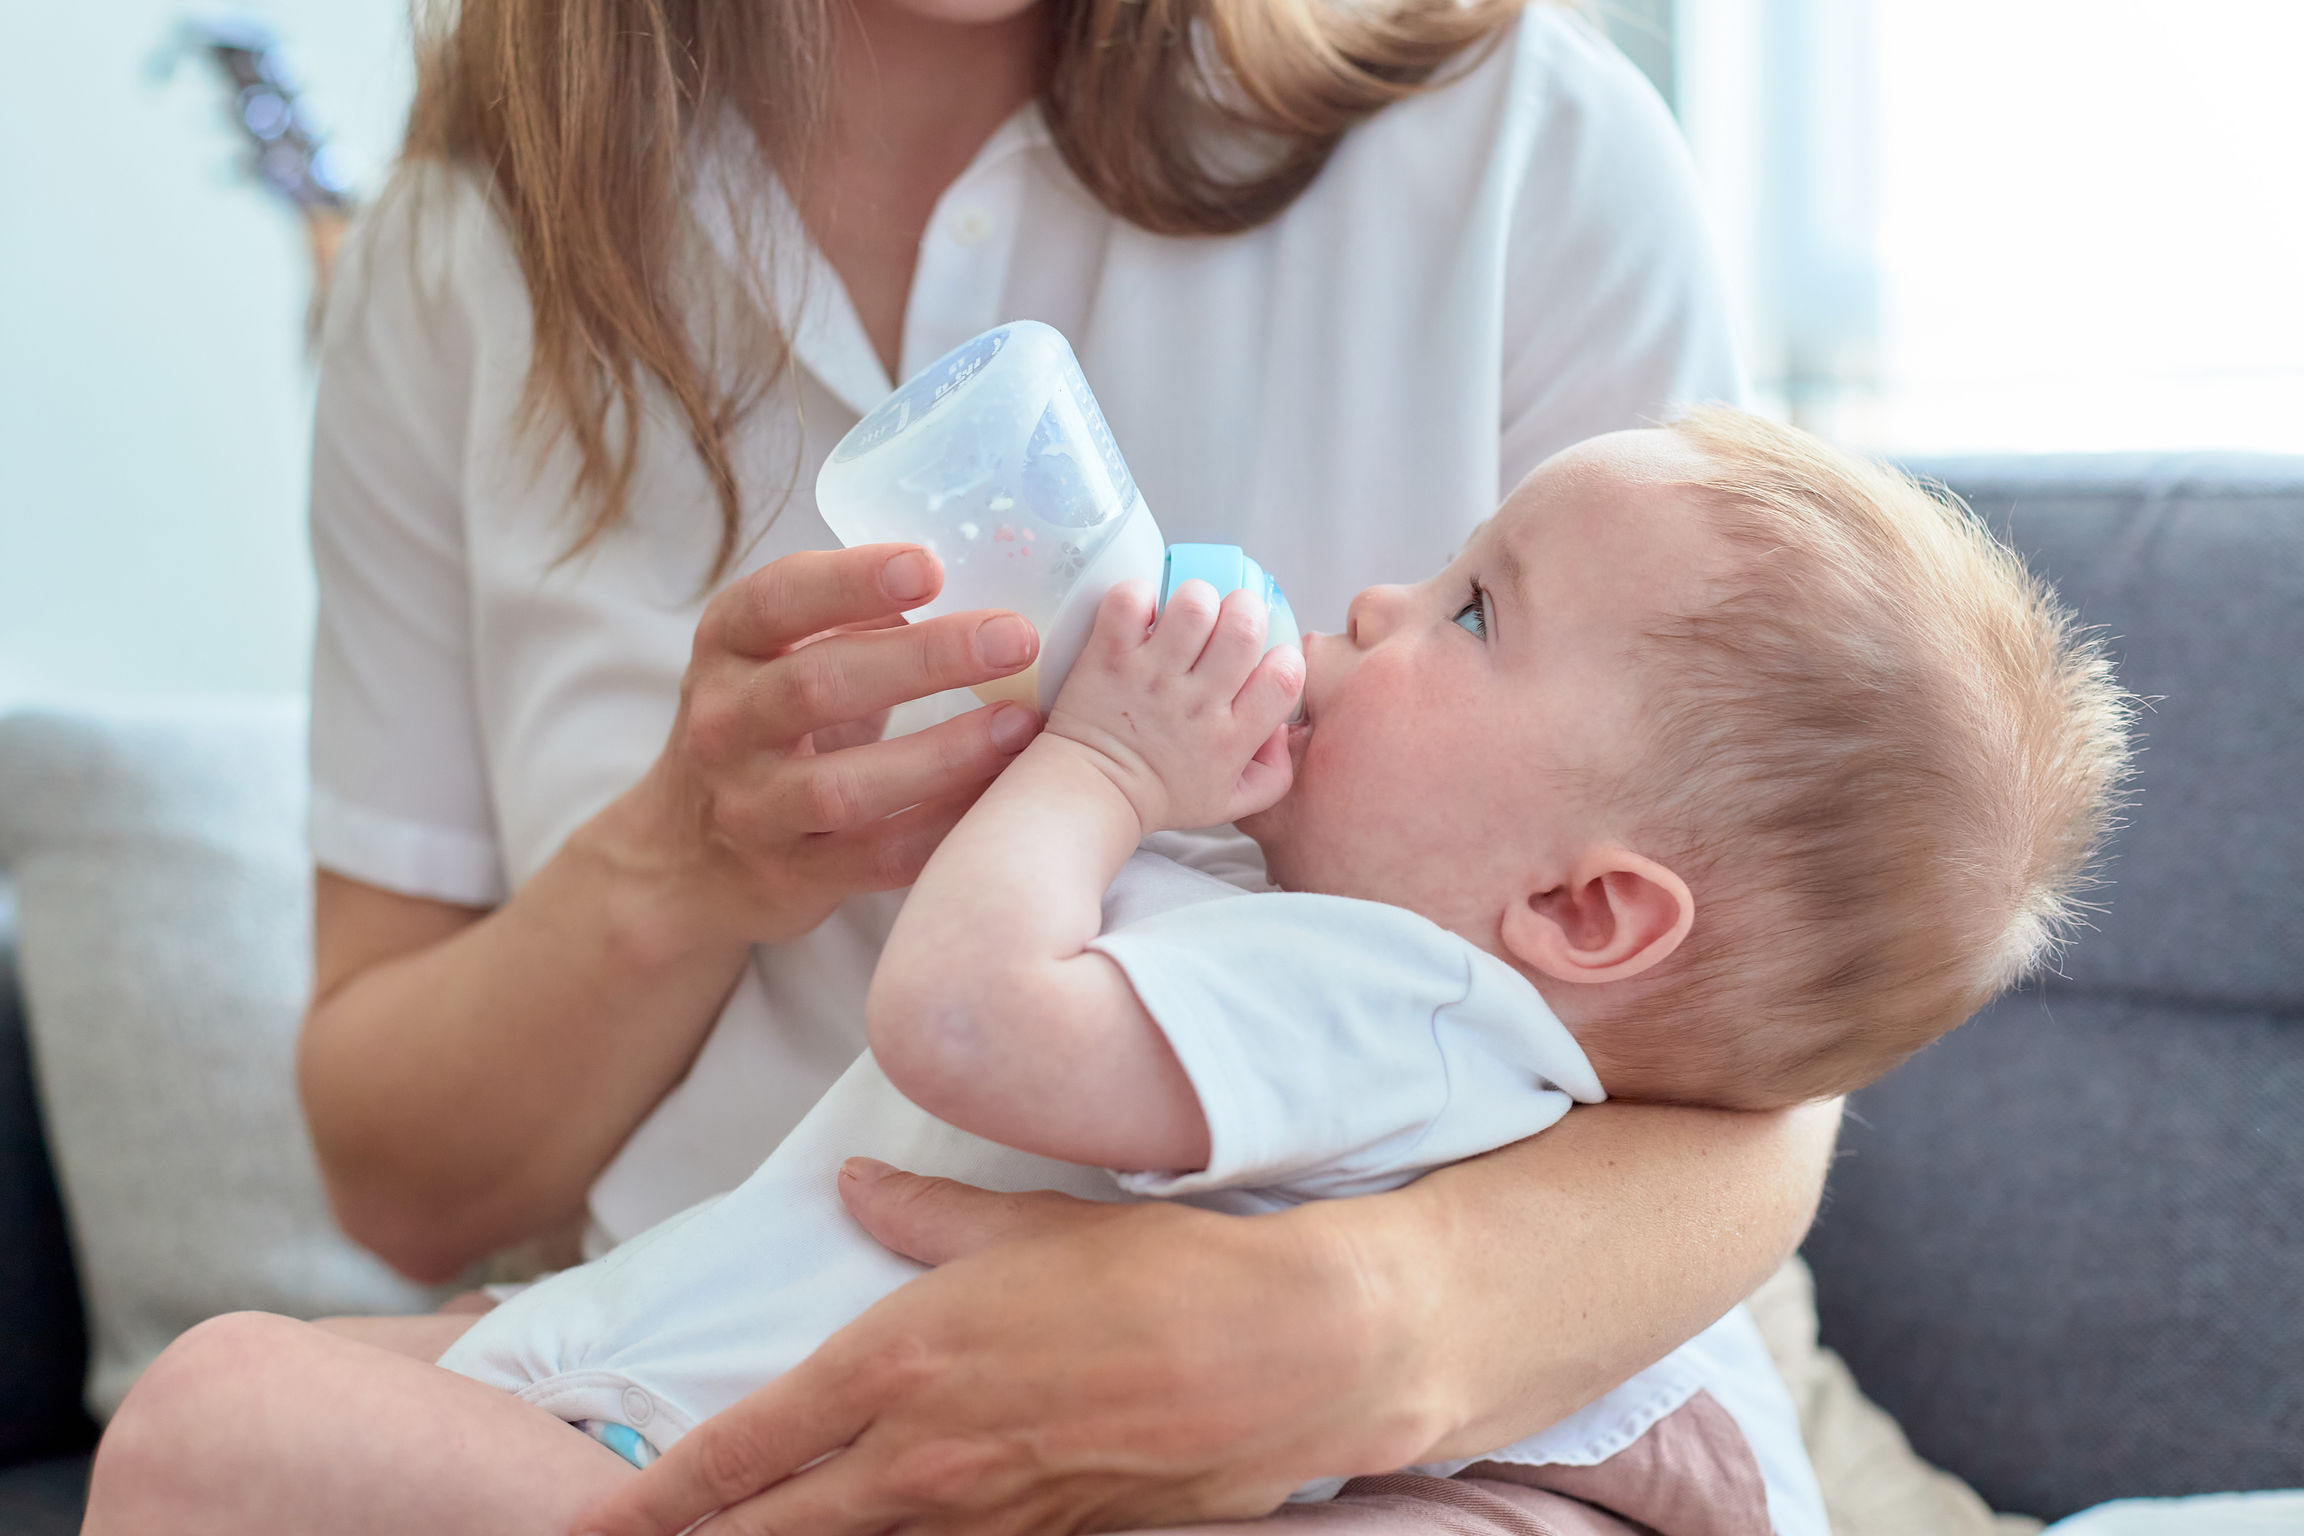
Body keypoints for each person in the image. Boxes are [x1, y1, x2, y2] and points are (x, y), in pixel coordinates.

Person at [81, 0, 1852, 1531]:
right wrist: (675, 868)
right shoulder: (464, 264)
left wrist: (1349, 1324)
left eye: (1461, 611)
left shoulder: (1517, 154)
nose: (1377, 609)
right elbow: (403, 1182)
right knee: (215, 1431)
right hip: (728, 1367)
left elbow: (1776, 1023)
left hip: (1413, 1435)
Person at [423, 412, 2129, 1519]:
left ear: (1586, 917)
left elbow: (965, 1017)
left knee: (220, 1419)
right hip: (778, 1368)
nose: (1381, 598)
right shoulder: (1365, 936)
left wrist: (1096, 770)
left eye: (1469, 612)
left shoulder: (1399, 994)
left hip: (776, 1427)